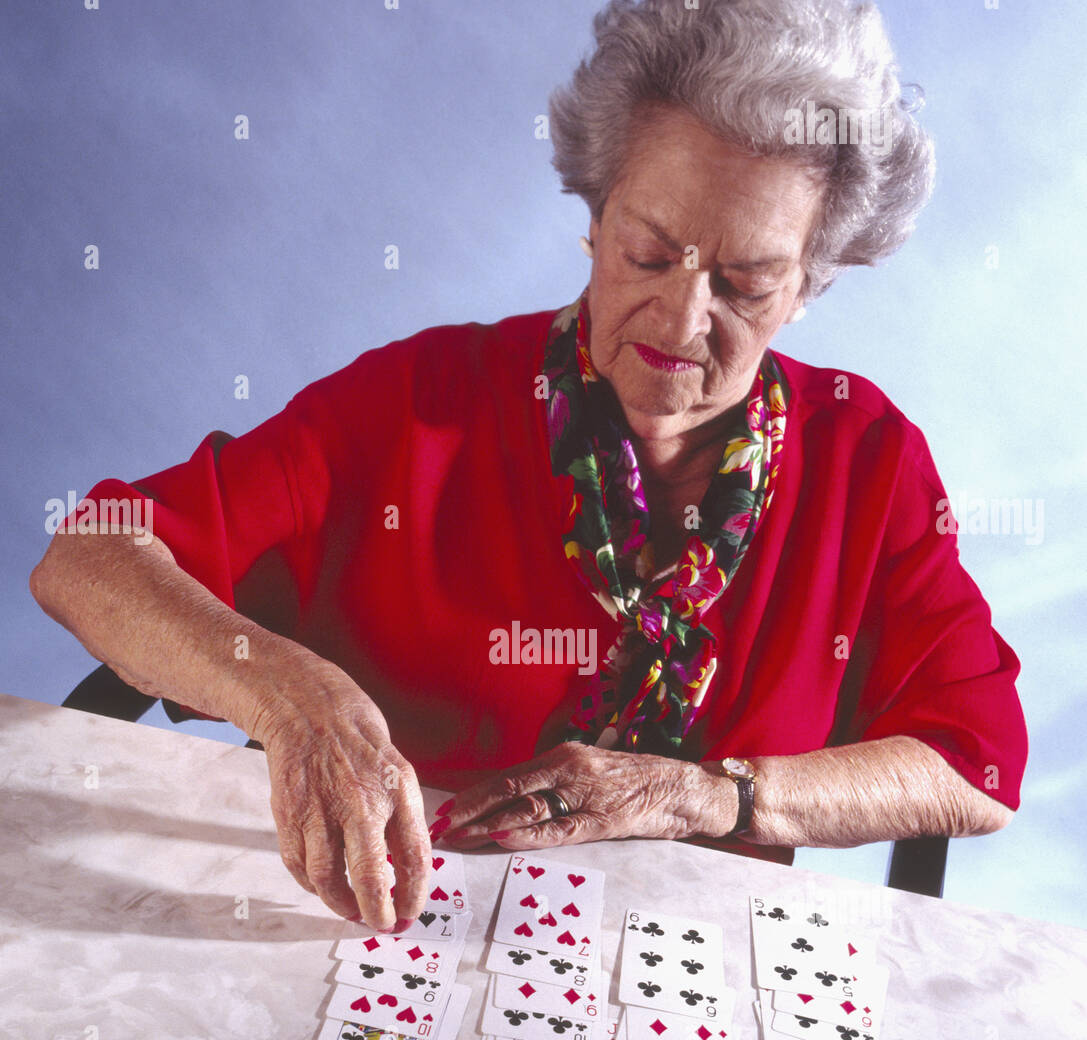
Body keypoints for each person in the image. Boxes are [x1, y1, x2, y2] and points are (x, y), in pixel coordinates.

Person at [29, 0, 1027, 933]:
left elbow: (974, 762)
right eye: (647, 253)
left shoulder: (866, 458)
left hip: (676, 974)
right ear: (595, 217)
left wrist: (714, 795)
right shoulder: (421, 404)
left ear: (810, 283)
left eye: (744, 284)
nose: (682, 321)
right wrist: (297, 698)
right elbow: (91, 557)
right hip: (367, 937)